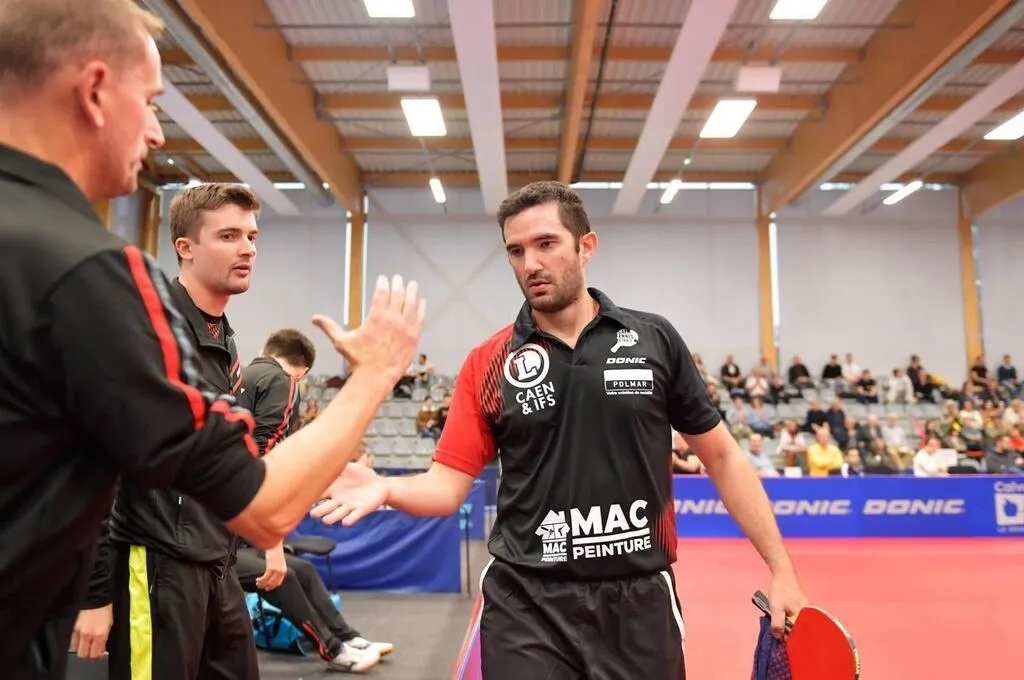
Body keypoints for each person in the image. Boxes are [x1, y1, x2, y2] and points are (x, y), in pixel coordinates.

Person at [0, 2, 425, 676]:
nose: (158, 132)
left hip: (206, 559)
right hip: (142, 566)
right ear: (94, 91)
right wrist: (375, 372)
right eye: (150, 100)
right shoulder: (85, 272)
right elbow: (262, 505)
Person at [313, 181, 807, 679]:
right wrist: (386, 488)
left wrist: (781, 569)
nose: (530, 264)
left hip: (638, 600)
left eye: (546, 244)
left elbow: (721, 457)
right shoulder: (488, 362)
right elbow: (447, 485)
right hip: (526, 601)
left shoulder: (654, 340)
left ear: (585, 246)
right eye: (516, 250)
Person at [78, 183, 267, 679]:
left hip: (218, 563)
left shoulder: (221, 337)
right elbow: (95, 468)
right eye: (229, 235)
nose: (247, 248)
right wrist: (96, 593)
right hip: (155, 560)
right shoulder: (147, 333)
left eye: (251, 235)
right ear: (185, 247)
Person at [233, 329, 393, 673]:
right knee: (283, 573)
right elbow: (268, 459)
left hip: (229, 523)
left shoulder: (240, 377)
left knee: (301, 568)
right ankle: (333, 649)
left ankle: (349, 637)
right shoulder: (282, 382)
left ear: (266, 349)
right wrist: (272, 540)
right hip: (218, 539)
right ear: (302, 371)